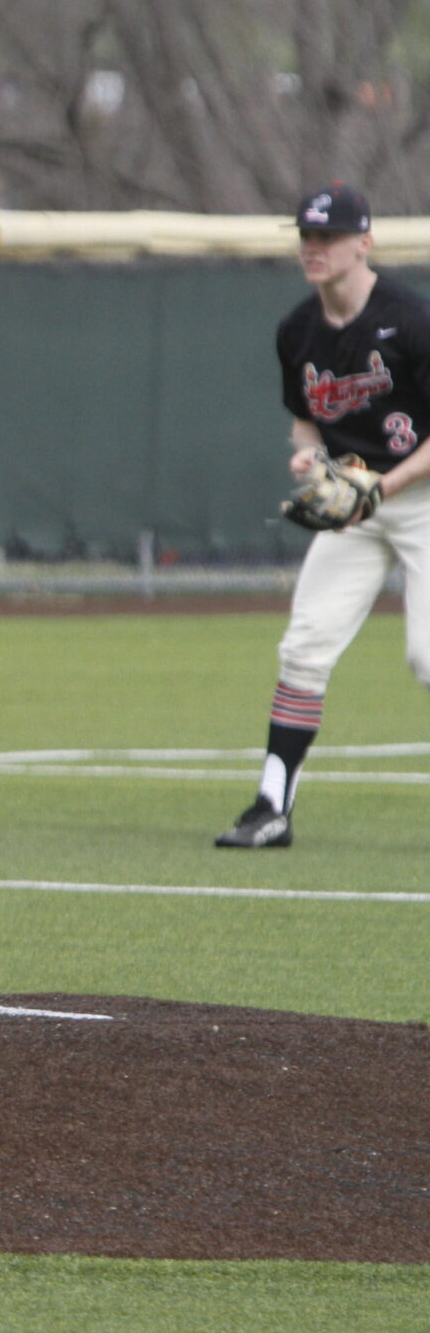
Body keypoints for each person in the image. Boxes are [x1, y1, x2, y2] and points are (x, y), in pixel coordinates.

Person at [220, 183, 430, 848]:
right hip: (357, 509)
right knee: (305, 647)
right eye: (306, 238)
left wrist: (384, 486)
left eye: (328, 238)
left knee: (429, 654)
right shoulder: (297, 330)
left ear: (363, 243)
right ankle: (270, 807)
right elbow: (307, 423)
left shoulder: (413, 318)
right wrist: (309, 461)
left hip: (420, 497)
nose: (313, 249)